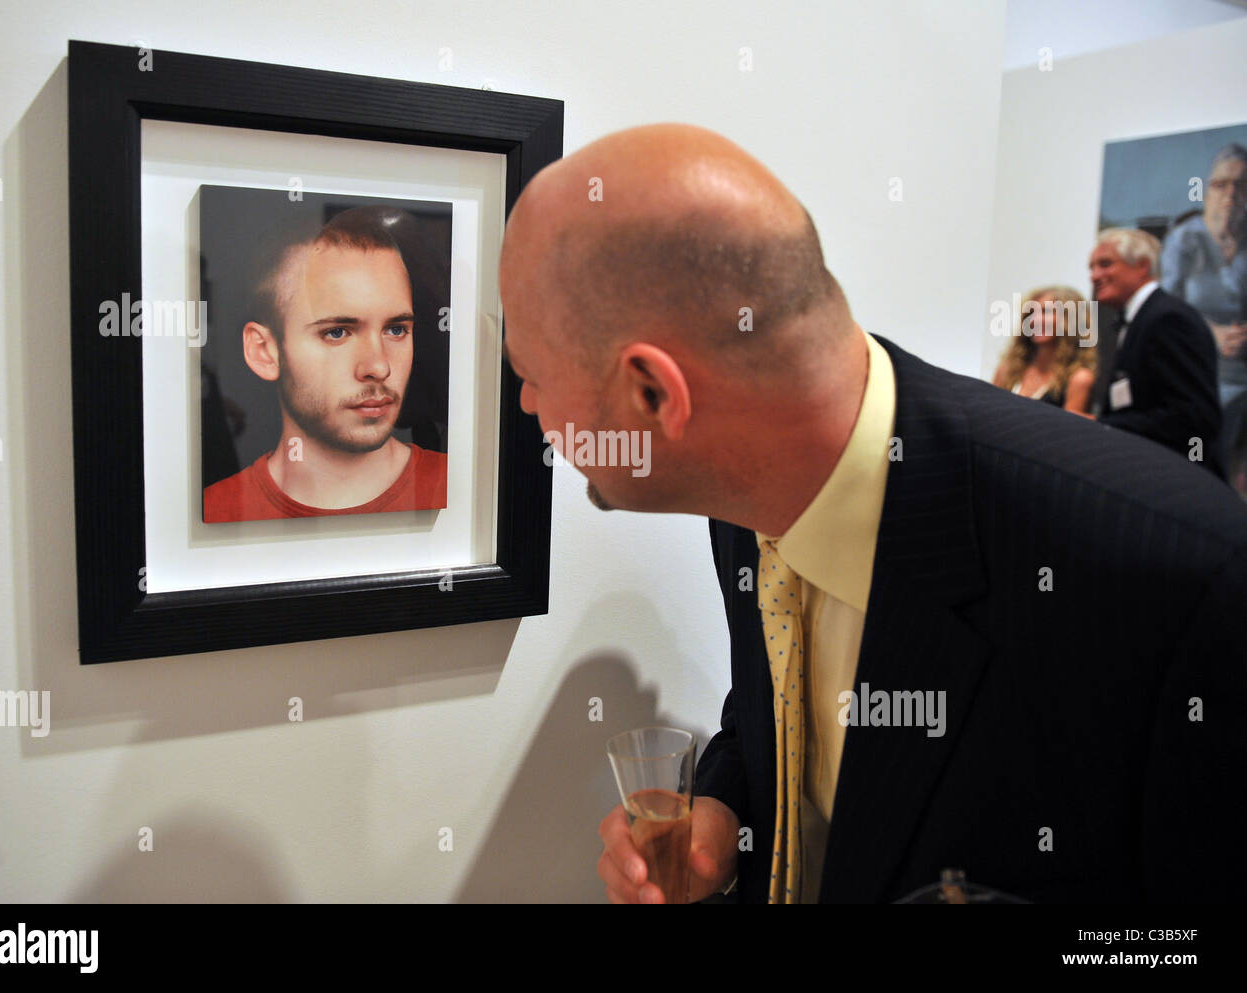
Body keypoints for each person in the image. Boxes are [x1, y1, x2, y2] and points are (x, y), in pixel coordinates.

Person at [497, 124, 1247, 903]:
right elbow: (783, 705)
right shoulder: (748, 490)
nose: (526, 404)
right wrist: (727, 808)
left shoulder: (1179, 581)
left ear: (654, 394)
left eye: (531, 374)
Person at [203, 206, 447, 522]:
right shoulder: (213, 517)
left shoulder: (465, 493)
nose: (379, 366)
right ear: (264, 352)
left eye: (396, 329)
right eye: (336, 332)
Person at [1090, 227, 1225, 478]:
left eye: (1105, 264)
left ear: (1142, 266)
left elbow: (1194, 417)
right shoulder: (1140, 319)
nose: (1095, 275)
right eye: (1092, 267)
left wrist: (1100, 426)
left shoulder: (1168, 319)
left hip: (1179, 484)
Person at [1161, 143, 1247, 495]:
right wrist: (1211, 333)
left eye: (1241, 186)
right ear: (1207, 189)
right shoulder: (1186, 240)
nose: (1230, 195)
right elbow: (1167, 308)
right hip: (1196, 368)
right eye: (1220, 185)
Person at [991, 285, 1096, 415]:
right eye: (1031, 313)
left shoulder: (1079, 379)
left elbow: (1070, 430)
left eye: (1046, 312)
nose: (1035, 320)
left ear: (1072, 320)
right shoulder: (1008, 369)